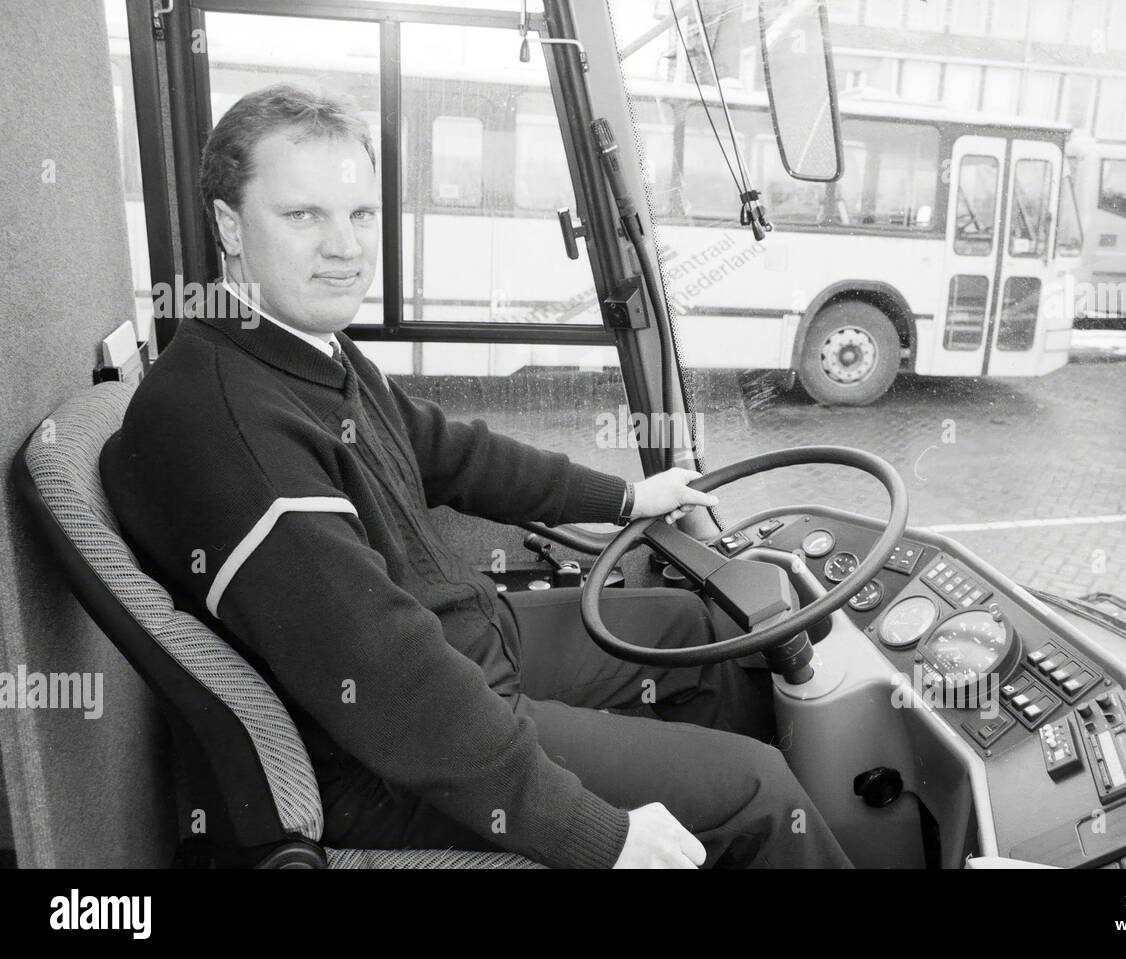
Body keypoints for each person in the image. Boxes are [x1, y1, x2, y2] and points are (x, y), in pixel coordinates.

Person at [101, 84, 851, 869]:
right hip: (385, 763)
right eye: (302, 216)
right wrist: (601, 835)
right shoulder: (231, 425)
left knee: (699, 633)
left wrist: (629, 496)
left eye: (358, 216)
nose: (345, 247)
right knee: (757, 793)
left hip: (468, 646)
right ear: (229, 226)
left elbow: (451, 452)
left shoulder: (303, 348)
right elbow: (390, 679)